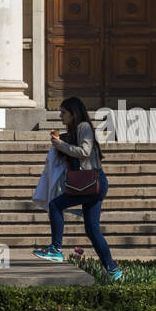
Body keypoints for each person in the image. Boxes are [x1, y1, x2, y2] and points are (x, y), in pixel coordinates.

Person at [33, 95, 123, 281]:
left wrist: (61, 145)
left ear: (74, 113)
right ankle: (113, 271)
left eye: (63, 112)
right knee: (92, 230)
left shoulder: (84, 127)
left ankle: (56, 249)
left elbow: (84, 152)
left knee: (55, 206)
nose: (60, 116)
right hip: (92, 184)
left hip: (91, 183)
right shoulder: (76, 130)